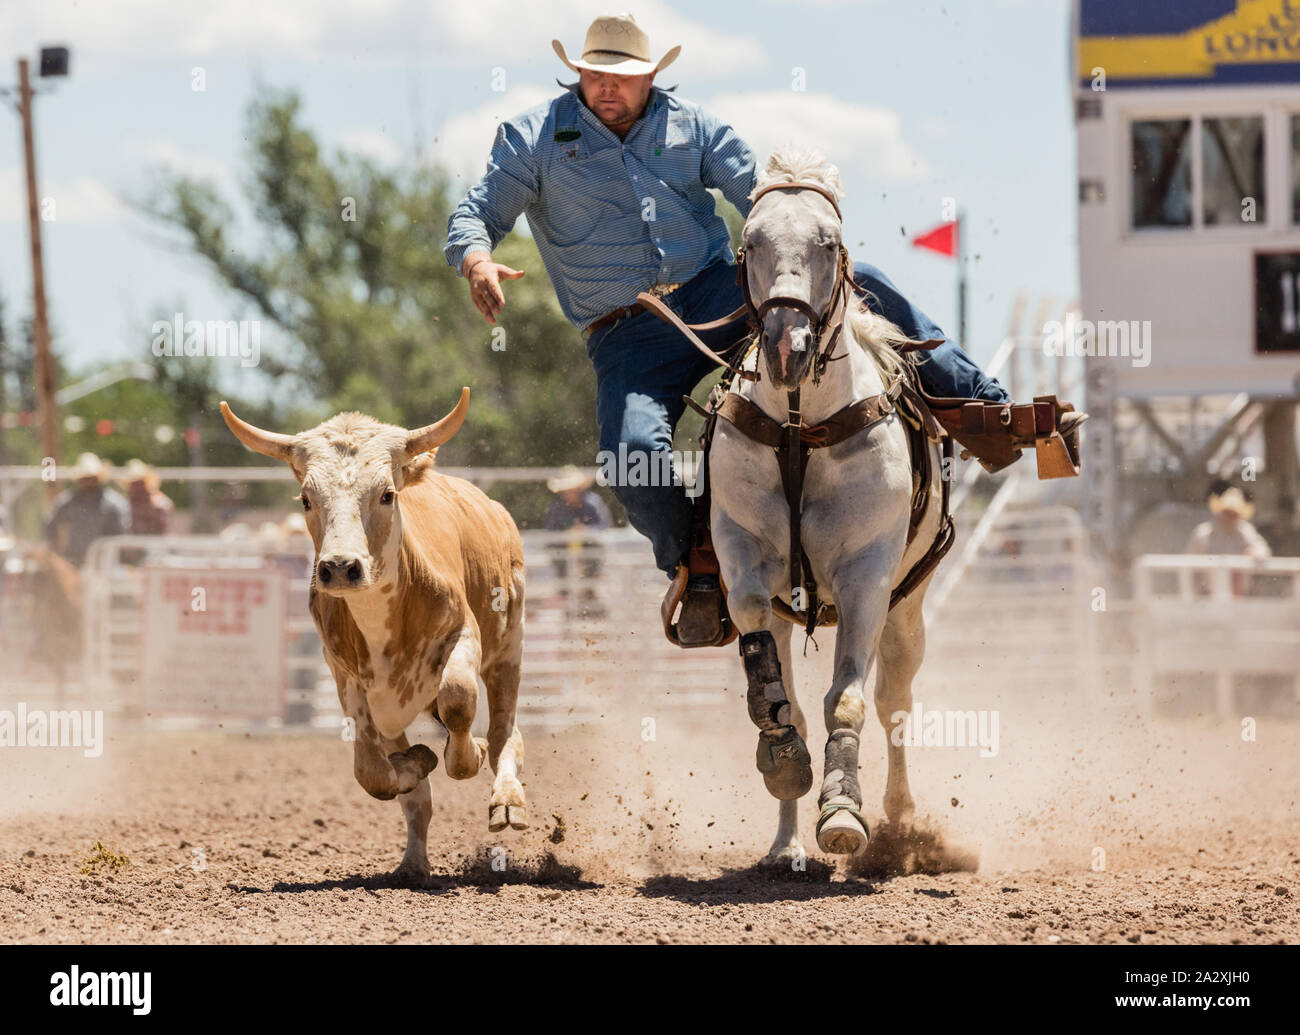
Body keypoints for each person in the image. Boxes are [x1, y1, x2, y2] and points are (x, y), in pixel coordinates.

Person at [444, 12, 1085, 643]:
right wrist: (477, 260)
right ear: (577, 73)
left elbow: (762, 193)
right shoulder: (534, 139)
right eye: (596, 74)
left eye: (624, 75)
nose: (608, 86)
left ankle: (988, 410)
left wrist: (805, 238)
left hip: (719, 295)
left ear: (650, 78)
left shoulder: (691, 126)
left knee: (869, 283)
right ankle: (697, 561)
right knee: (630, 458)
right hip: (626, 336)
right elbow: (476, 213)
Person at [44, 452, 130, 567]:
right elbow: (50, 524)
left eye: (92, 478)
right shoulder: (67, 502)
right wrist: (55, 552)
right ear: (80, 479)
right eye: (86, 478)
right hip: (73, 561)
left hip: (104, 563)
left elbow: (121, 534)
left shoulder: (113, 504)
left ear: (98, 478)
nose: (89, 481)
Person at [545, 466, 612, 531]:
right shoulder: (558, 508)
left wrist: (586, 531)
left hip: (593, 541)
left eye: (573, 490)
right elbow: (552, 532)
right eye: (566, 491)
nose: (570, 494)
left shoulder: (593, 503)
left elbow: (606, 527)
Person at [119, 458, 174, 535]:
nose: (135, 487)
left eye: (138, 483)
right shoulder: (127, 502)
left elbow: (163, 530)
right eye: (133, 483)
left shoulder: (159, 503)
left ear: (145, 483)